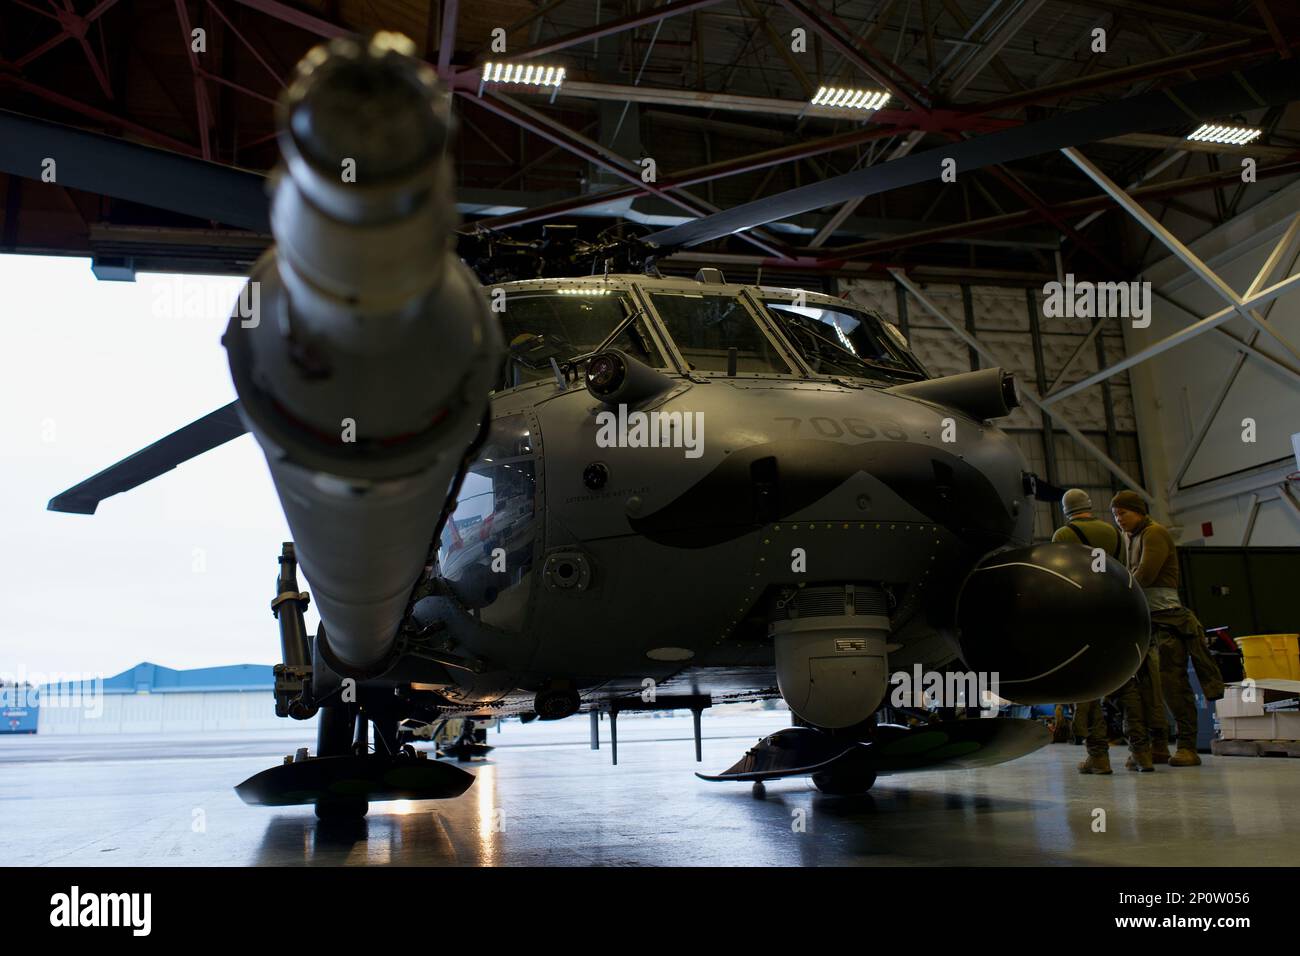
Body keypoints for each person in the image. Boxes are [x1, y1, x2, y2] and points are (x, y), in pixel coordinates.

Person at [1111, 490, 1223, 769]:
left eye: (1123, 513)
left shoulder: (1154, 533)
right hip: (1146, 621)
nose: (1118, 519)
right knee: (1146, 688)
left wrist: (1117, 592)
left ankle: (1187, 745)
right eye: (1115, 515)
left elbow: (1145, 574)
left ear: (1138, 511)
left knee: (1173, 685)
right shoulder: (1131, 536)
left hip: (1169, 620)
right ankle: (1158, 745)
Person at [1053, 489, 1125, 775]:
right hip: (1117, 610)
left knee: (1087, 685)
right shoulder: (1114, 533)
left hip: (1083, 614)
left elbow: (1059, 576)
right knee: (1128, 686)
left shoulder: (1064, 535)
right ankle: (1142, 752)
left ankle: (1099, 755)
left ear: (1066, 509)